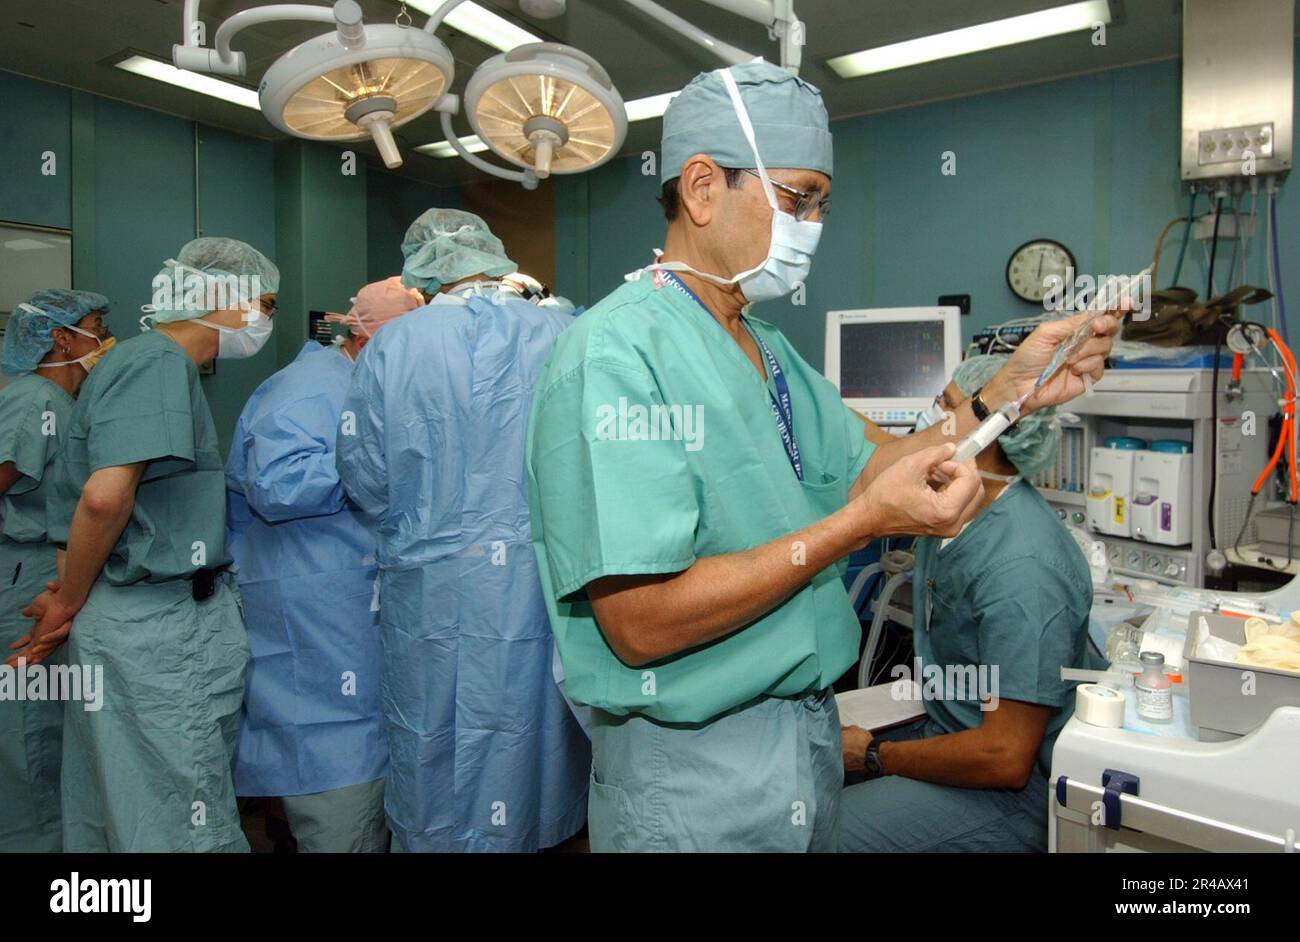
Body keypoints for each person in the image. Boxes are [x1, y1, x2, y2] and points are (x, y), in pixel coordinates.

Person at [525, 60, 1118, 852]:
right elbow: (642, 621)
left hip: (802, 741)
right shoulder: (615, 355)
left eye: (823, 205)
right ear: (702, 188)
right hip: (698, 772)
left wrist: (1007, 396)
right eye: (798, 198)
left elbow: (880, 464)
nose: (814, 225)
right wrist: (856, 527)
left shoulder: (767, 351)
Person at [12, 237, 279, 852]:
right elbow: (105, 498)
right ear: (221, 298)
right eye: (263, 302)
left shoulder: (139, 364)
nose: (265, 317)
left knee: (122, 808)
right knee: (178, 817)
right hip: (160, 630)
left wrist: (68, 593)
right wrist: (67, 601)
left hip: (136, 617)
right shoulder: (155, 363)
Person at [336, 209, 590, 853]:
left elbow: (364, 476)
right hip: (538, 584)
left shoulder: (393, 344)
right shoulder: (565, 332)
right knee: (530, 730)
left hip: (430, 583)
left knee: (431, 731)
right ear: (496, 255)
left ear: (420, 273)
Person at [838, 355, 1092, 853]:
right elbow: (875, 454)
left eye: (951, 409)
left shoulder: (1023, 570)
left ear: (991, 435)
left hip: (1007, 796)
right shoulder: (955, 508)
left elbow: (1004, 758)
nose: (935, 420)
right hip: (946, 727)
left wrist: (873, 756)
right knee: (797, 786)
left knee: (817, 836)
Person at [225, 277, 421, 852]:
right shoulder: (309, 389)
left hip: (348, 615)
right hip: (316, 623)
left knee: (360, 781)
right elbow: (277, 484)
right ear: (372, 341)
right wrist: (382, 463)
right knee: (338, 798)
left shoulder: (360, 384)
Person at [0, 289, 113, 852]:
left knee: (52, 725)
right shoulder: (32, 399)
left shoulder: (72, 403)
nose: (104, 336)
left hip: (56, 571)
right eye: (95, 325)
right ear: (60, 338)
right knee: (29, 732)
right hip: (25, 574)